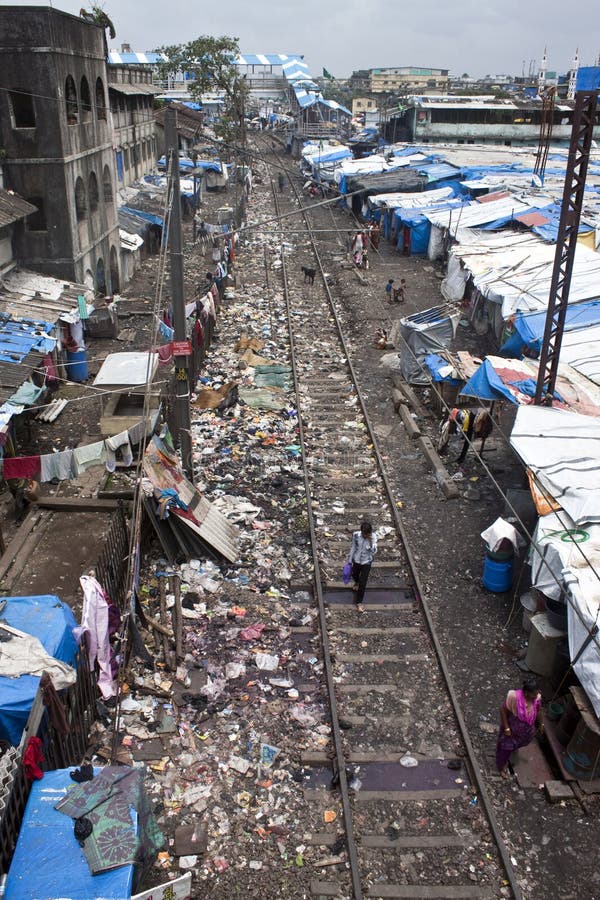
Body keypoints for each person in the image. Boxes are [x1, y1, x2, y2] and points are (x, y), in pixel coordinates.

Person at [496, 678, 543, 778]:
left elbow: (539, 710)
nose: (536, 695)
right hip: (512, 729)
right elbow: (503, 709)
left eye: (537, 692)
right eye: (534, 694)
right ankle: (501, 766)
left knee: (520, 743)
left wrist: (541, 724)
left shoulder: (537, 698)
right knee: (505, 748)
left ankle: (513, 749)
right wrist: (506, 728)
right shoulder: (514, 697)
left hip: (526, 730)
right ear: (526, 693)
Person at [346, 521, 377, 611]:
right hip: (356, 560)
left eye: (366, 534)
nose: (364, 536)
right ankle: (357, 582)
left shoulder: (373, 537)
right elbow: (353, 547)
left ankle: (359, 602)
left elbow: (374, 552)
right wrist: (349, 560)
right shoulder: (356, 535)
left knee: (363, 584)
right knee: (354, 575)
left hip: (366, 562)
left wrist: (371, 543)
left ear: (369, 533)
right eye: (363, 534)